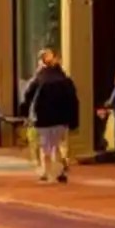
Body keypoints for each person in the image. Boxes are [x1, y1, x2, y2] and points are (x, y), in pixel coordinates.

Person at [19, 49, 80, 184]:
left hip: (43, 118)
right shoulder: (65, 80)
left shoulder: (38, 79)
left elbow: (27, 97)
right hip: (62, 119)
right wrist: (74, 120)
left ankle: (46, 172)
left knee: (45, 147)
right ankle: (59, 170)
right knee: (57, 145)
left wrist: (24, 114)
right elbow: (73, 100)